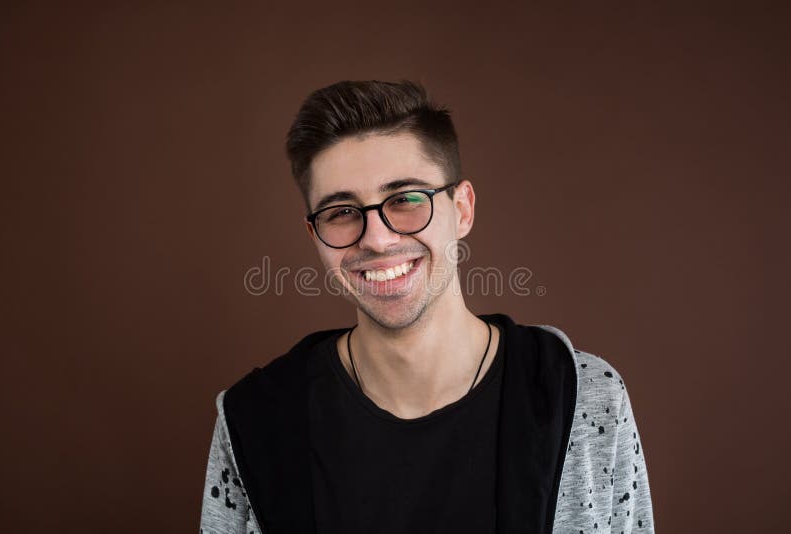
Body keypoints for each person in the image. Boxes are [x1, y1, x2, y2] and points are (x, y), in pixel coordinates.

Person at [199, 80, 654, 534]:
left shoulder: (584, 397)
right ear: (314, 235)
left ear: (463, 209)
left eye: (405, 200)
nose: (377, 240)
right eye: (341, 212)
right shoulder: (253, 420)